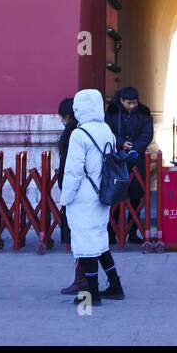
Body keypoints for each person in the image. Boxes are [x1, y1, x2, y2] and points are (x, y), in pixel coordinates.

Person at [59, 88, 125, 306]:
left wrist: (65, 198)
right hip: (102, 193)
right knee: (99, 241)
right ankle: (115, 285)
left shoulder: (79, 134)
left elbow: (73, 171)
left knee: (85, 245)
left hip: (83, 196)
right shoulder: (105, 129)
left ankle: (92, 294)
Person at [104, 86, 153, 244]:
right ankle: (112, 233)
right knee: (115, 195)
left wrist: (136, 148)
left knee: (136, 196)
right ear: (121, 101)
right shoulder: (112, 112)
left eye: (134, 103)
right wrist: (119, 143)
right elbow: (107, 131)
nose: (132, 106)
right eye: (128, 103)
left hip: (136, 159)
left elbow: (147, 134)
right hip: (117, 159)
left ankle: (133, 232)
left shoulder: (144, 112)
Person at [55, 98, 86, 295]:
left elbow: (70, 166)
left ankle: (81, 279)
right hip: (84, 190)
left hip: (76, 191)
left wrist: (66, 193)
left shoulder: (74, 133)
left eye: (62, 116)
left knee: (80, 239)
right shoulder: (84, 130)